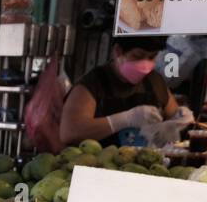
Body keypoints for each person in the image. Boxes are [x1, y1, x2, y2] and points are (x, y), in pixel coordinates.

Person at [59, 35, 192, 149]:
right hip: (98, 166)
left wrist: (179, 120)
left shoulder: (155, 81)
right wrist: (124, 120)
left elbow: (172, 114)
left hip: (144, 165)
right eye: (137, 56)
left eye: (151, 57)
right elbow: (69, 133)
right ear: (118, 52)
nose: (145, 64)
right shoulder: (91, 85)